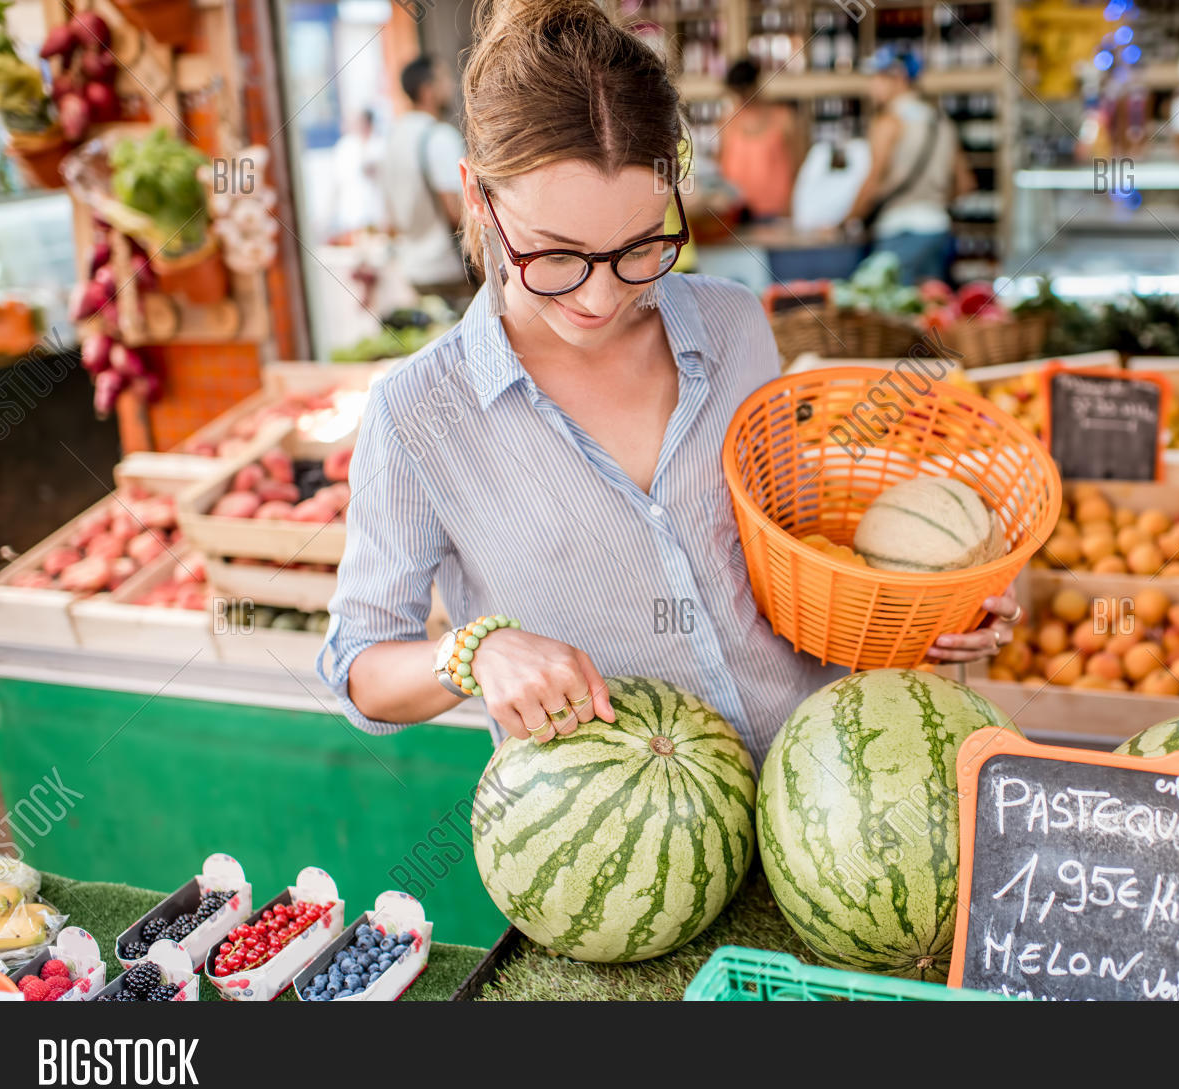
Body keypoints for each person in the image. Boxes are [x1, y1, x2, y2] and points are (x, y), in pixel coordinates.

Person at [318, 0, 1020, 765]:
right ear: (479, 197)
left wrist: (926, 601)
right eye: (556, 255)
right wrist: (473, 652)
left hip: (825, 786)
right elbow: (359, 665)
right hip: (630, 862)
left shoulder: (734, 327)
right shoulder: (419, 410)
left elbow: (802, 556)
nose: (599, 298)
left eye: (641, 247)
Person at [845, 45, 976, 286]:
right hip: (937, 231)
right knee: (930, 310)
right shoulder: (942, 122)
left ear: (899, 78)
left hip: (898, 231)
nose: (871, 86)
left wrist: (848, 220)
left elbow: (873, 181)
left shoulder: (888, 122)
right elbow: (966, 184)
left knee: (887, 311)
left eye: (877, 77)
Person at [383, 56, 475, 309]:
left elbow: (389, 217)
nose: (451, 85)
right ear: (427, 91)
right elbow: (456, 211)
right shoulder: (438, 136)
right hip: (449, 270)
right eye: (444, 79)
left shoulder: (394, 138)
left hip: (413, 269)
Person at [715, 56, 800, 221]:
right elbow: (720, 166)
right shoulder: (726, 121)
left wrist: (791, 206)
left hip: (777, 212)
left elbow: (798, 166)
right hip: (737, 212)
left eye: (745, 89)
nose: (742, 96)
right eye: (737, 92)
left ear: (757, 84)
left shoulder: (784, 117)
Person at [332, 108, 384, 235]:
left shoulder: (381, 145)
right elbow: (337, 184)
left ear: (369, 123)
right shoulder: (345, 147)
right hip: (352, 216)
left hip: (377, 215)